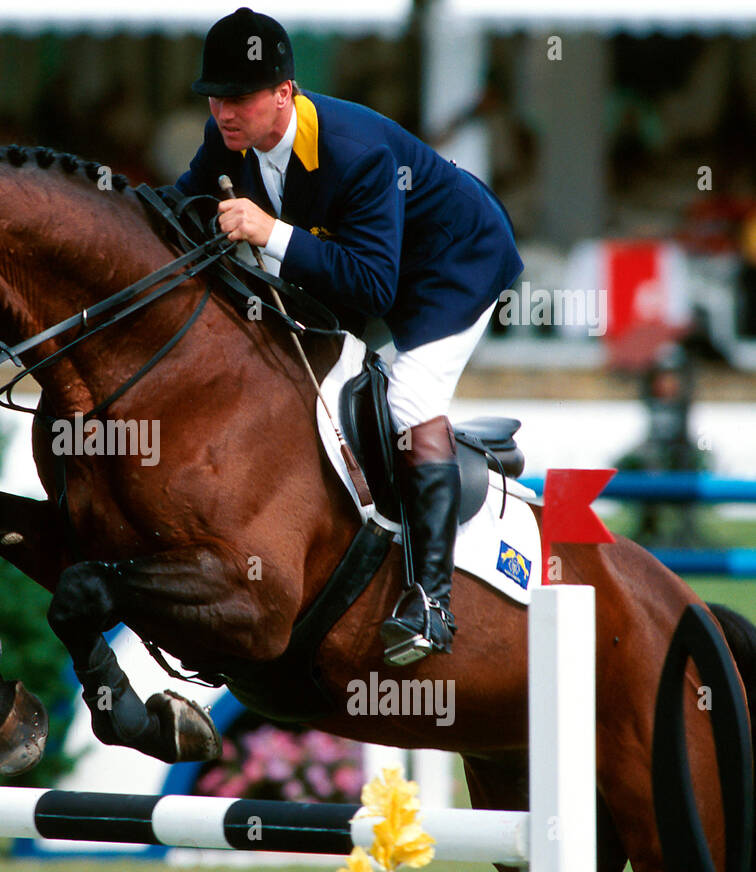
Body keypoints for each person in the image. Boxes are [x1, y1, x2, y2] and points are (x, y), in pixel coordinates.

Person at [175, 8, 524, 666]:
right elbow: (180, 209)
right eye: (215, 97)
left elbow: (372, 291)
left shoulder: (355, 153)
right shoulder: (229, 134)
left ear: (284, 94)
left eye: (240, 98)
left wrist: (269, 233)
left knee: (407, 402)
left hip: (454, 264)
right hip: (370, 267)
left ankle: (431, 602)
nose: (224, 111)